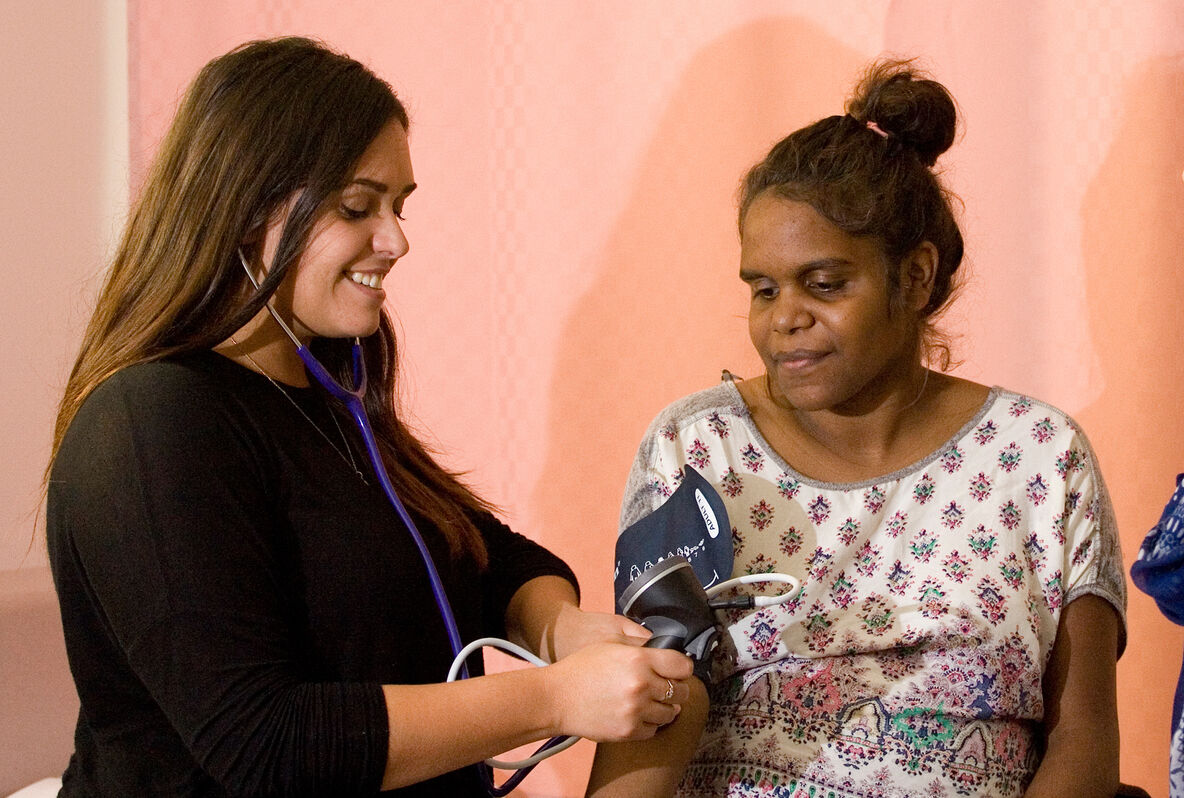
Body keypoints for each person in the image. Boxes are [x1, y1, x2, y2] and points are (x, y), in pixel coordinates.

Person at [45, 37, 694, 797]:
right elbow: (264, 745)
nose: (397, 240)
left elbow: (487, 560)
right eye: (358, 206)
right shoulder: (149, 425)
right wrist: (553, 698)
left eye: (400, 205)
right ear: (245, 209)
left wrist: (560, 628)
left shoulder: (332, 402)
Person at [587, 60, 1126, 798]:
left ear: (915, 276)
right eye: (764, 289)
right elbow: (650, 712)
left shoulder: (1040, 454)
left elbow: (1084, 743)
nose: (786, 318)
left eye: (825, 284)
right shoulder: (699, 449)